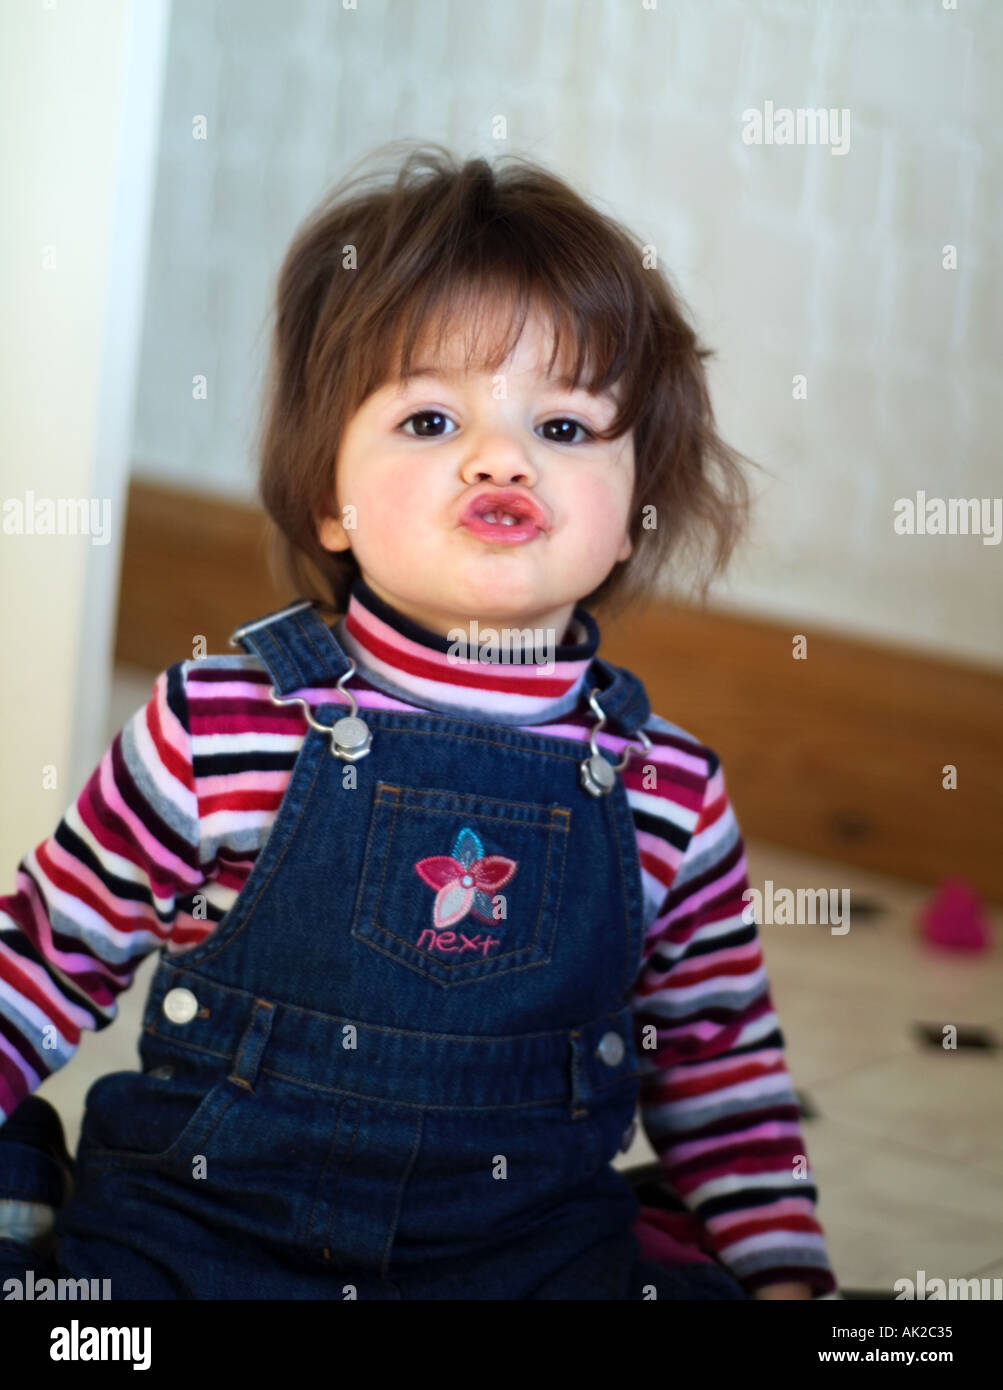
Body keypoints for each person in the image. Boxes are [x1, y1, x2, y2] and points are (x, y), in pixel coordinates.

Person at [0, 143, 837, 1299]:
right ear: (325, 501)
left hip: (524, 1260)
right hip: (206, 1240)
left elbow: (716, 1058)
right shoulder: (221, 727)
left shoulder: (666, 789)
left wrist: (786, 1271)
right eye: (432, 421)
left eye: (565, 428)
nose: (501, 455)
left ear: (633, 513)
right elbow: (45, 952)